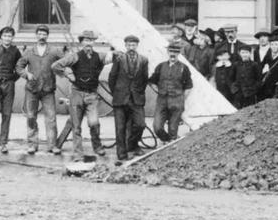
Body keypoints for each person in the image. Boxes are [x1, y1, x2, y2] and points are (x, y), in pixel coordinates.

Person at [52, 30, 109, 161]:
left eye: (91, 40)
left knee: (94, 123)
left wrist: (117, 54)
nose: (88, 43)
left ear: (93, 42)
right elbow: (55, 65)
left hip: (92, 95)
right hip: (76, 94)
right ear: (82, 42)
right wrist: (67, 74)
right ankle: (78, 153)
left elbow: (111, 58)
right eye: (86, 40)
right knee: (76, 126)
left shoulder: (99, 56)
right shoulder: (74, 56)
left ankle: (97, 146)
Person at [16, 24, 61, 154]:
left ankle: (52, 145)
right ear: (36, 35)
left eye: (44, 34)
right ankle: (32, 144)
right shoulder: (29, 51)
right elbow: (19, 67)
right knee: (31, 117)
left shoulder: (54, 51)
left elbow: (65, 61)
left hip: (48, 90)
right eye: (40, 34)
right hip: (32, 89)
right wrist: (26, 74)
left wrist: (61, 71)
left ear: (47, 36)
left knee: (51, 118)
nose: (42, 37)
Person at [109, 34, 149, 162]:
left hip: (136, 99)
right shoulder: (119, 59)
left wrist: (138, 92)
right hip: (120, 99)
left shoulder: (143, 60)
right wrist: (116, 93)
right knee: (120, 128)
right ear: (125, 46)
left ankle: (131, 144)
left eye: (134, 45)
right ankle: (121, 153)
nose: (131, 47)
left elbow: (144, 79)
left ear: (137, 46)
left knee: (140, 124)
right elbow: (112, 77)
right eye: (129, 45)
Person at [149, 40, 193, 143]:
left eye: (175, 52)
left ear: (179, 53)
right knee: (157, 127)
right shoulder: (160, 66)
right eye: (171, 51)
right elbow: (152, 81)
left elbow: (189, 86)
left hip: (177, 101)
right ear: (168, 52)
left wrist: (181, 98)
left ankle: (171, 145)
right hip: (162, 101)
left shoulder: (184, 68)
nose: (173, 54)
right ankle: (167, 140)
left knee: (173, 129)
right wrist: (159, 91)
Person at [232, 43, 259, 108]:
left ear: (250, 53)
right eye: (243, 53)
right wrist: (234, 89)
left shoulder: (254, 65)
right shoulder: (236, 64)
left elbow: (258, 79)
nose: (245, 55)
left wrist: (254, 89)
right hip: (238, 92)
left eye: (246, 52)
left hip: (250, 93)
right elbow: (231, 78)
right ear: (240, 53)